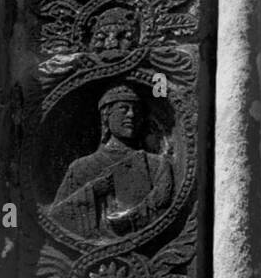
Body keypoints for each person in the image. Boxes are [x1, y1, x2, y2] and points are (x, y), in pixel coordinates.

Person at [48, 85, 174, 240]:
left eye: (136, 110)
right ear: (106, 116)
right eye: (123, 109)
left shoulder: (157, 165)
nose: (131, 115)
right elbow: (57, 217)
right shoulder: (81, 167)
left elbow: (162, 209)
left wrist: (125, 221)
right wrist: (93, 191)